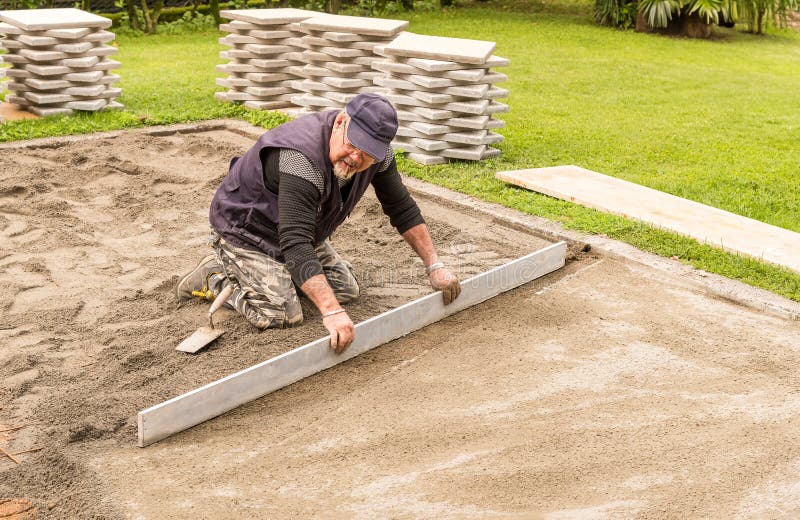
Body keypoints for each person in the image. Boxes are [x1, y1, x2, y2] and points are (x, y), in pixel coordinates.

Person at [176, 93, 461, 354]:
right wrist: (331, 312)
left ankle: (278, 278)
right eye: (353, 145)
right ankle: (214, 276)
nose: (356, 158)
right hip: (247, 230)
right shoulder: (300, 159)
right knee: (280, 314)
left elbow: (401, 208)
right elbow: (295, 242)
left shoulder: (379, 156)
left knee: (346, 291)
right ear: (340, 123)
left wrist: (434, 266)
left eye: (367, 154)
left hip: (303, 227)